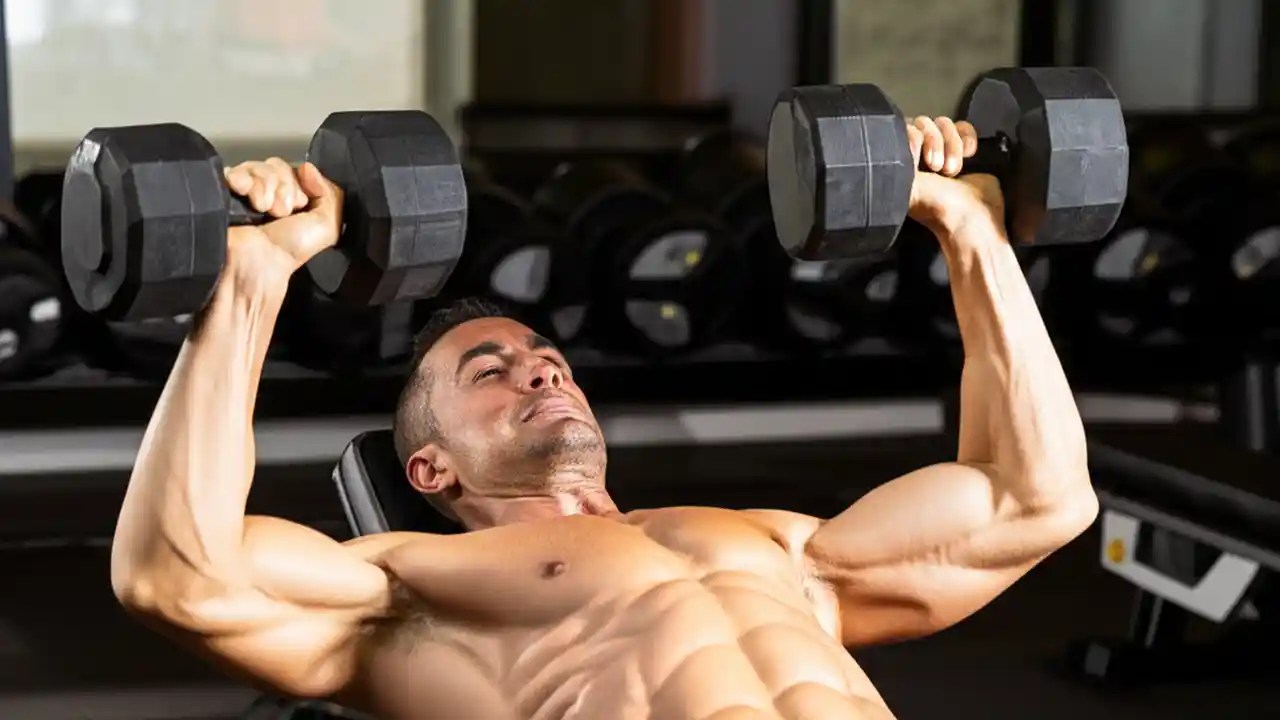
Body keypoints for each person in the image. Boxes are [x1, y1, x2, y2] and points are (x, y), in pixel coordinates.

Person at [111, 117, 1098, 720]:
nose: (537, 370)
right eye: (487, 371)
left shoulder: (781, 547)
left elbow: (1035, 497)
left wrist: (970, 232)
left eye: (546, 358)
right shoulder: (407, 594)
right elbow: (178, 577)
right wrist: (247, 285)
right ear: (429, 471)